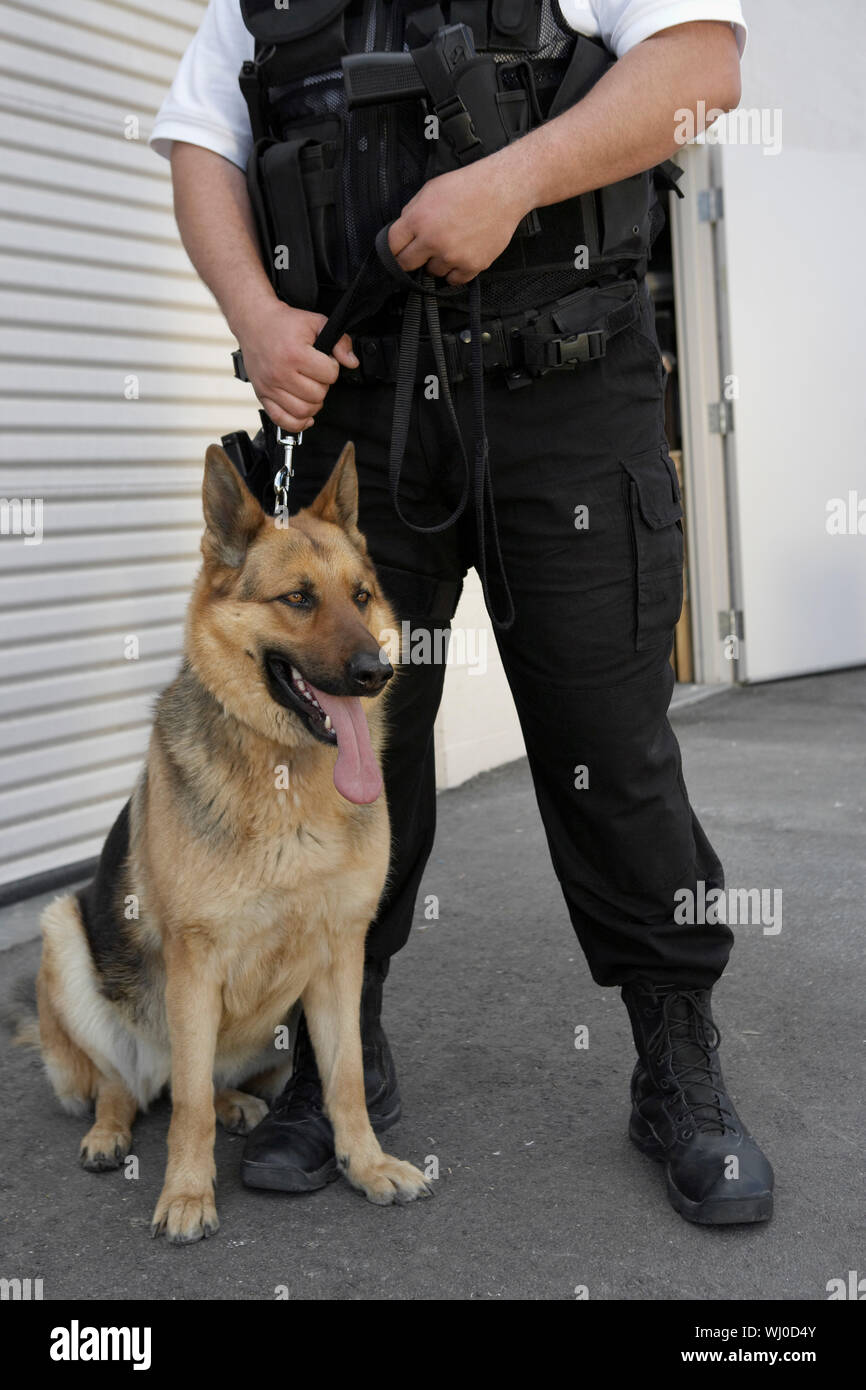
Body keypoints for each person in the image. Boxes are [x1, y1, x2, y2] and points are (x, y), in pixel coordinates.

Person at [150, 0, 774, 1224]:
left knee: (612, 745)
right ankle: (341, 1062)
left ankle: (674, 1064)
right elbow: (197, 144)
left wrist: (511, 181)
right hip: (361, 418)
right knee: (336, 751)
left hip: (564, 393)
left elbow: (701, 69)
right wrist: (255, 319)